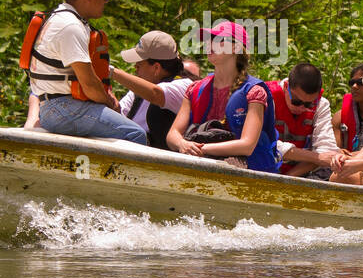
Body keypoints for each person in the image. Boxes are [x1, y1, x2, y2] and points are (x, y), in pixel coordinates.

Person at [18, 0, 146, 144]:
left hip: (54, 106)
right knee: (136, 134)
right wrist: (110, 104)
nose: (106, 1)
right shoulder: (71, 26)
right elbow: (89, 84)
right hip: (63, 109)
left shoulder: (61, 17)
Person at [166, 20, 280, 172]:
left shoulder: (255, 92)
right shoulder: (194, 89)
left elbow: (247, 145)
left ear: (235, 47)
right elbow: (173, 134)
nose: (209, 44)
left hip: (248, 170)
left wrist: (201, 149)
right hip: (201, 161)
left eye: (217, 40)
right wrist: (182, 144)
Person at [109, 31, 190, 149]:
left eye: (139, 64)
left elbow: (155, 94)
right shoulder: (137, 92)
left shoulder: (184, 86)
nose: (135, 68)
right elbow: (116, 119)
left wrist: (111, 72)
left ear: (156, 68)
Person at [266, 62, 339, 178]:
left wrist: (288, 178)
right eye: (296, 101)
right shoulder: (266, 97)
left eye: (309, 104)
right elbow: (265, 143)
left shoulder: (321, 104)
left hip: (298, 174)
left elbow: (327, 151)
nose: (302, 108)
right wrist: (316, 157)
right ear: (286, 87)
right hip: (263, 167)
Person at [332, 62, 363, 152]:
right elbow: (334, 152)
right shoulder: (339, 118)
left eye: (360, 82)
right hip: (345, 163)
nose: (354, 86)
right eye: (352, 82)